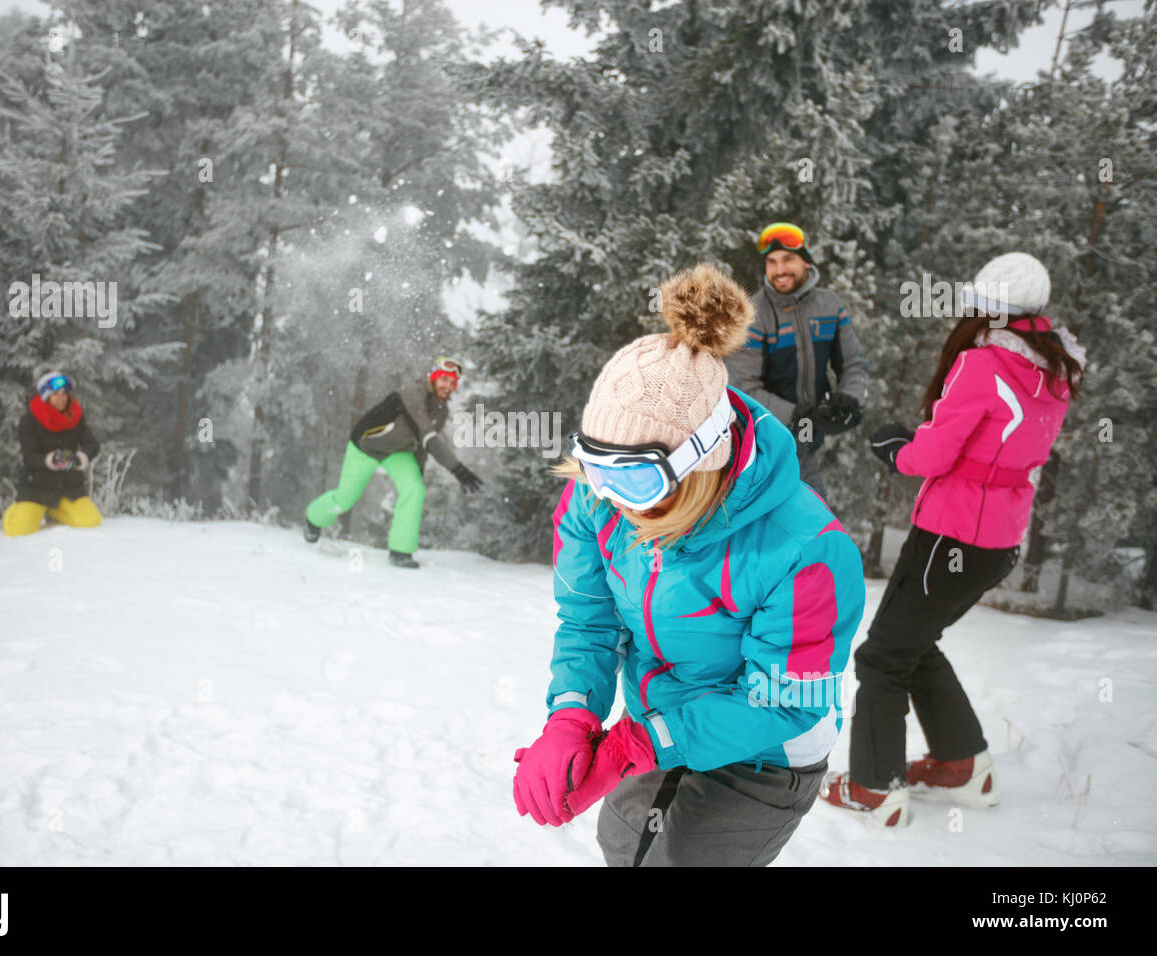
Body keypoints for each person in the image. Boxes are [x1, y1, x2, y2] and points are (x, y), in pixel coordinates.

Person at [513, 264, 866, 866]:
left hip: (766, 751)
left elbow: (782, 700)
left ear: (703, 460)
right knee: (623, 847)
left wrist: (636, 744)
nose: (616, 497)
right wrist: (571, 715)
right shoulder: (596, 500)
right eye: (598, 468)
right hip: (657, 722)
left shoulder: (805, 551)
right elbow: (588, 623)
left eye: (639, 476)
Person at [820, 252, 1086, 828]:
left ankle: (873, 789)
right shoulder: (1054, 369)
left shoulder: (983, 364)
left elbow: (935, 456)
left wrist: (897, 448)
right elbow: (993, 443)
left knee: (883, 656)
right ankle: (962, 766)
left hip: (952, 535)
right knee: (914, 645)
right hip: (998, 539)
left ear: (987, 307)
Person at [723, 221, 869, 498]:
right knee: (786, 525)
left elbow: (853, 364)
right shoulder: (754, 315)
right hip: (760, 447)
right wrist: (799, 415)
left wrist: (850, 399)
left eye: (788, 259)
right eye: (772, 262)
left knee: (815, 522)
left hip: (805, 445)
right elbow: (742, 389)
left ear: (806, 262)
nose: (780, 270)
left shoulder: (829, 306)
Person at [303, 357, 482, 569]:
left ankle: (400, 551)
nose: (448, 386)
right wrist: (458, 469)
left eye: (453, 383)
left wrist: (417, 475)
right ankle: (313, 518)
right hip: (366, 446)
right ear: (433, 377)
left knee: (414, 489)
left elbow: (422, 446)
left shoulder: (441, 411)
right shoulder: (412, 393)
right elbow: (428, 435)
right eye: (444, 379)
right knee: (345, 499)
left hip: (397, 452)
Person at [1, 370, 102, 536]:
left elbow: (93, 445)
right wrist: (50, 460)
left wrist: (80, 457)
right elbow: (29, 456)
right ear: (45, 396)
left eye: (64, 394)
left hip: (69, 487)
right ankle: (14, 513)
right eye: (55, 394)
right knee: (16, 530)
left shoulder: (75, 417)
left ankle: (54, 512)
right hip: (37, 488)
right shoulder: (29, 421)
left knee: (91, 521)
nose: (61, 398)